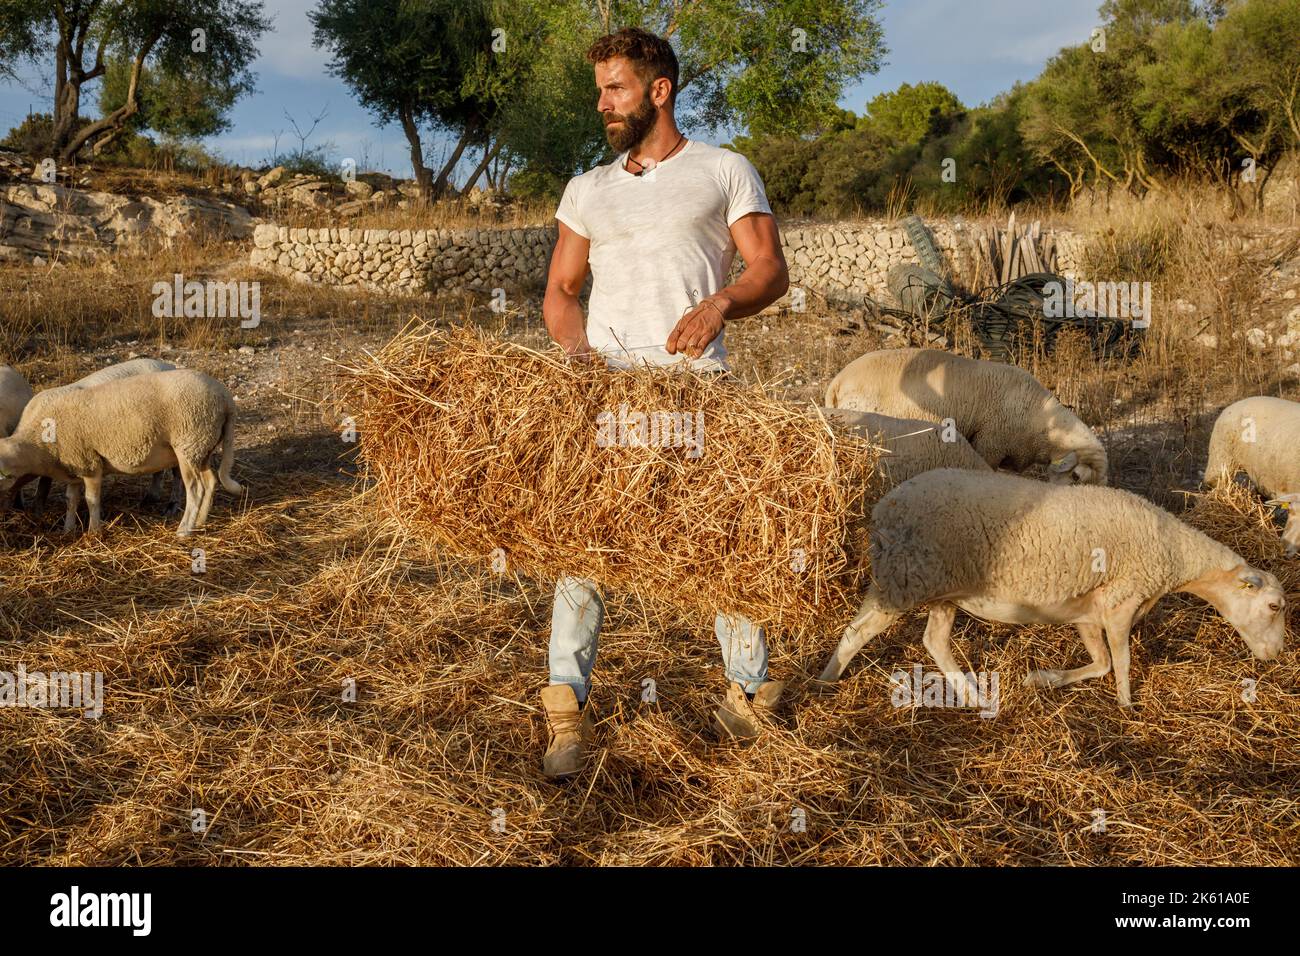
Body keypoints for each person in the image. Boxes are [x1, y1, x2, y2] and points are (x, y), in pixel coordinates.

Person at [540, 26, 790, 779]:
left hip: (699, 395)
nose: (603, 104)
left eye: (615, 89)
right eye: (599, 92)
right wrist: (580, 358)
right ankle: (565, 714)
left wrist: (719, 306)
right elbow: (560, 290)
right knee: (582, 553)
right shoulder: (587, 188)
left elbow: (769, 269)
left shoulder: (724, 171)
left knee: (722, 543)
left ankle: (750, 697)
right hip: (611, 396)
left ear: (659, 90)